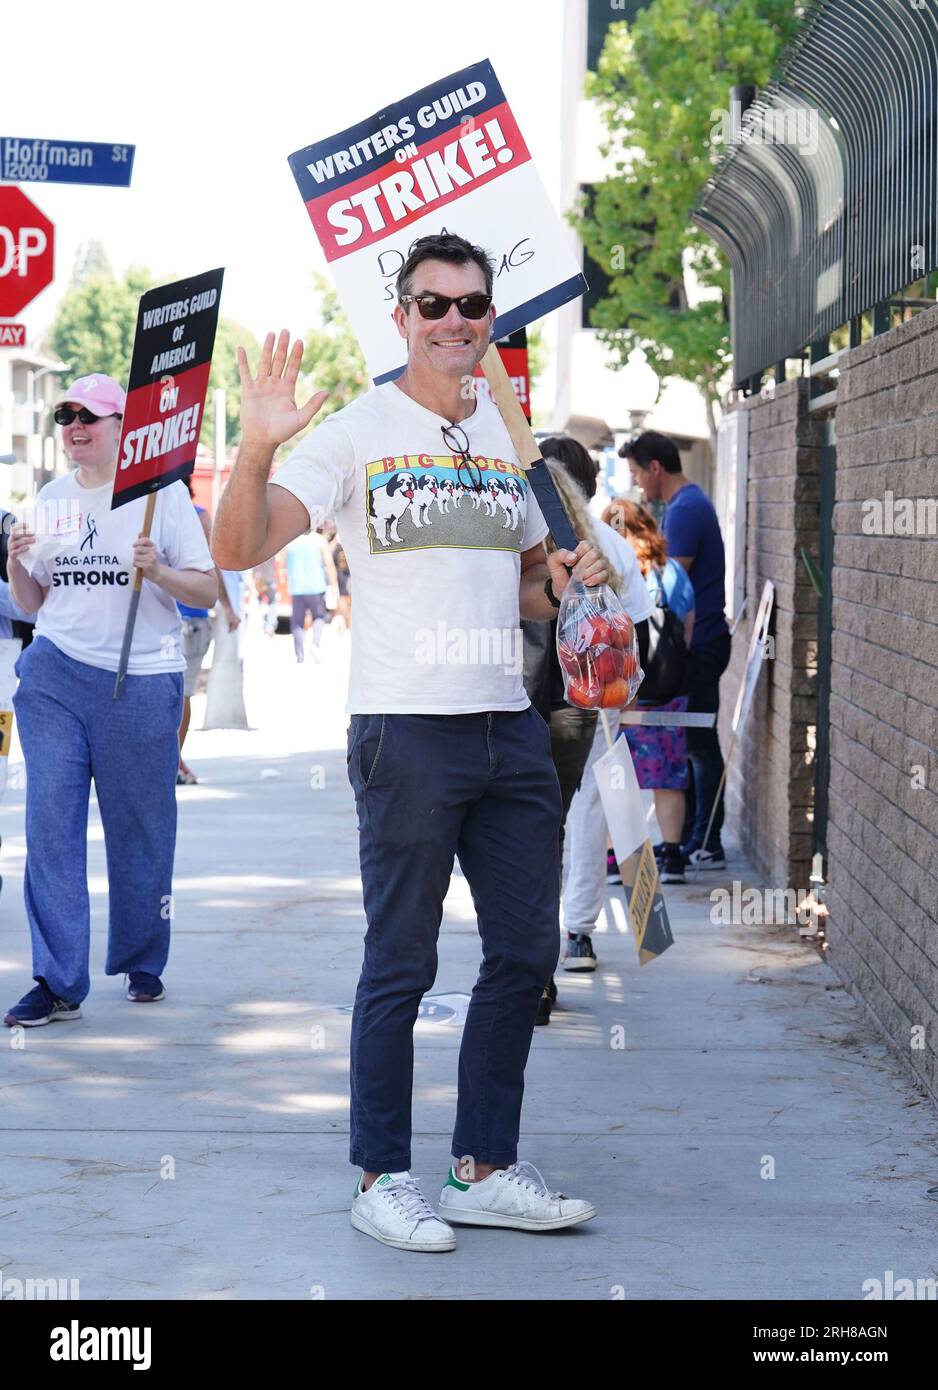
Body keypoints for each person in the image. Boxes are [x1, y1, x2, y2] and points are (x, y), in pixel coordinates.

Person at [213, 232, 608, 1253]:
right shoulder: (352, 433)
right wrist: (257, 443)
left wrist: (562, 581)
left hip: (507, 727)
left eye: (471, 306)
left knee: (522, 952)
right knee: (402, 959)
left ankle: (478, 1166)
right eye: (432, 305)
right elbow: (240, 546)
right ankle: (379, 1175)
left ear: (488, 320)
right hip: (405, 731)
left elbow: (526, 581)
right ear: (400, 317)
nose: (453, 322)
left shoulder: (501, 435)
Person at [2, 374, 217, 1027]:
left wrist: (160, 572)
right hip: (54, 679)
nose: (74, 426)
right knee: (50, 828)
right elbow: (35, 604)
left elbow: (205, 592)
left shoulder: (163, 498)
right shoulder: (50, 499)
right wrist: (13, 562)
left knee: (141, 830)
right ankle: (58, 978)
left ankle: (142, 956)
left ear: (124, 425)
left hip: (139, 678)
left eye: (90, 416)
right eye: (65, 414)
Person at [543, 446, 655, 968]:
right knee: (589, 809)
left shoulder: (524, 541)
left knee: (535, 816)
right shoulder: (609, 543)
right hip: (597, 697)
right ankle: (578, 933)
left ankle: (536, 942)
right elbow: (639, 630)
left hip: (527, 698)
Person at [624, 431, 731, 869]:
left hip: (700, 644)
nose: (635, 483)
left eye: (636, 472)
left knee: (700, 743)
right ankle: (690, 837)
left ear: (655, 468)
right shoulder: (685, 505)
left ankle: (707, 840)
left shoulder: (686, 510)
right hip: (697, 642)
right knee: (690, 741)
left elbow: (668, 584)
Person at [605, 499, 695, 884]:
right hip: (668, 690)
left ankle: (616, 859)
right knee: (669, 774)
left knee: (618, 776)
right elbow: (687, 625)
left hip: (625, 690)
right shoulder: (671, 570)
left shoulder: (613, 567)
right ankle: (673, 855)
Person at [177, 475, 240, 784]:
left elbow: (210, 565)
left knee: (175, 691)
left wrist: (224, 605)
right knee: (182, 691)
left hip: (180, 618)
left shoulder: (163, 513)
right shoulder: (196, 515)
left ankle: (171, 759)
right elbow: (211, 564)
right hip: (188, 618)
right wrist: (225, 606)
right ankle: (173, 759)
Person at [284, 527, 337, 663]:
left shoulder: (290, 541)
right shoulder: (319, 540)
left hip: (297, 587)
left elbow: (283, 563)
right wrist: (334, 585)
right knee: (318, 617)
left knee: (297, 623)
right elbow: (328, 564)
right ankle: (315, 644)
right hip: (316, 587)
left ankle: (300, 656)